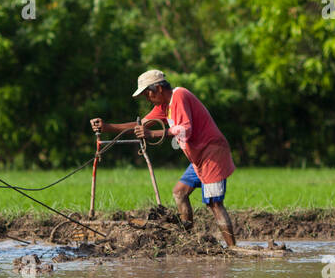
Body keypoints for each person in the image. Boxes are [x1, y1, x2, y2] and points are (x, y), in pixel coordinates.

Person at [91, 69, 237, 246]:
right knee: (180, 193)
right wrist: (107, 127)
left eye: (147, 93)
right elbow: (140, 125)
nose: (147, 98)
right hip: (198, 159)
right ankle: (188, 241)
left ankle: (232, 248)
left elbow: (185, 129)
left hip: (212, 154)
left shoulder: (180, 96)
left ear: (159, 88)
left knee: (214, 203)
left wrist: (152, 134)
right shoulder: (164, 107)